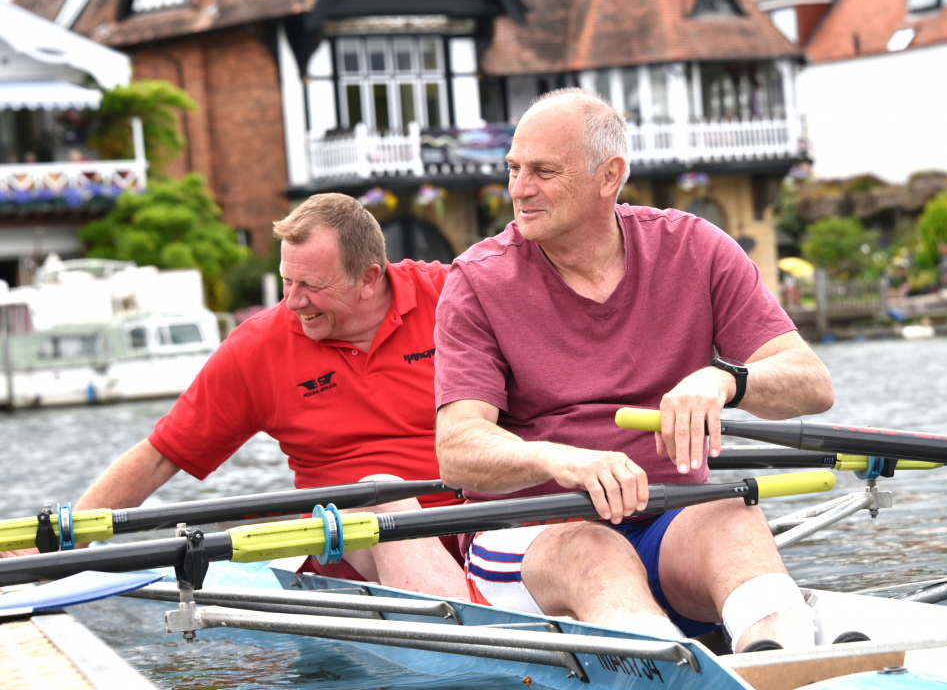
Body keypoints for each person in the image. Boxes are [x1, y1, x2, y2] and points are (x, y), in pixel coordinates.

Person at [433, 89, 835, 651]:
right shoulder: (477, 280)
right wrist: (560, 458)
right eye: (514, 169)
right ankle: (677, 667)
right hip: (534, 534)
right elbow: (457, 448)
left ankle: (787, 660)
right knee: (594, 550)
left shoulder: (694, 247)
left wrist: (725, 379)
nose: (519, 190)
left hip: (664, 518)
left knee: (731, 513)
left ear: (609, 176)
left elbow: (811, 383)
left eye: (544, 171)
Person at [3, 194, 468, 600]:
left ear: (368, 278)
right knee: (381, 496)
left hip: (480, 513)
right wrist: (61, 548)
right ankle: (485, 637)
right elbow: (160, 456)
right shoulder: (257, 350)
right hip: (359, 536)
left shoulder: (451, 292)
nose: (294, 301)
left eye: (311, 286)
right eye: (288, 281)